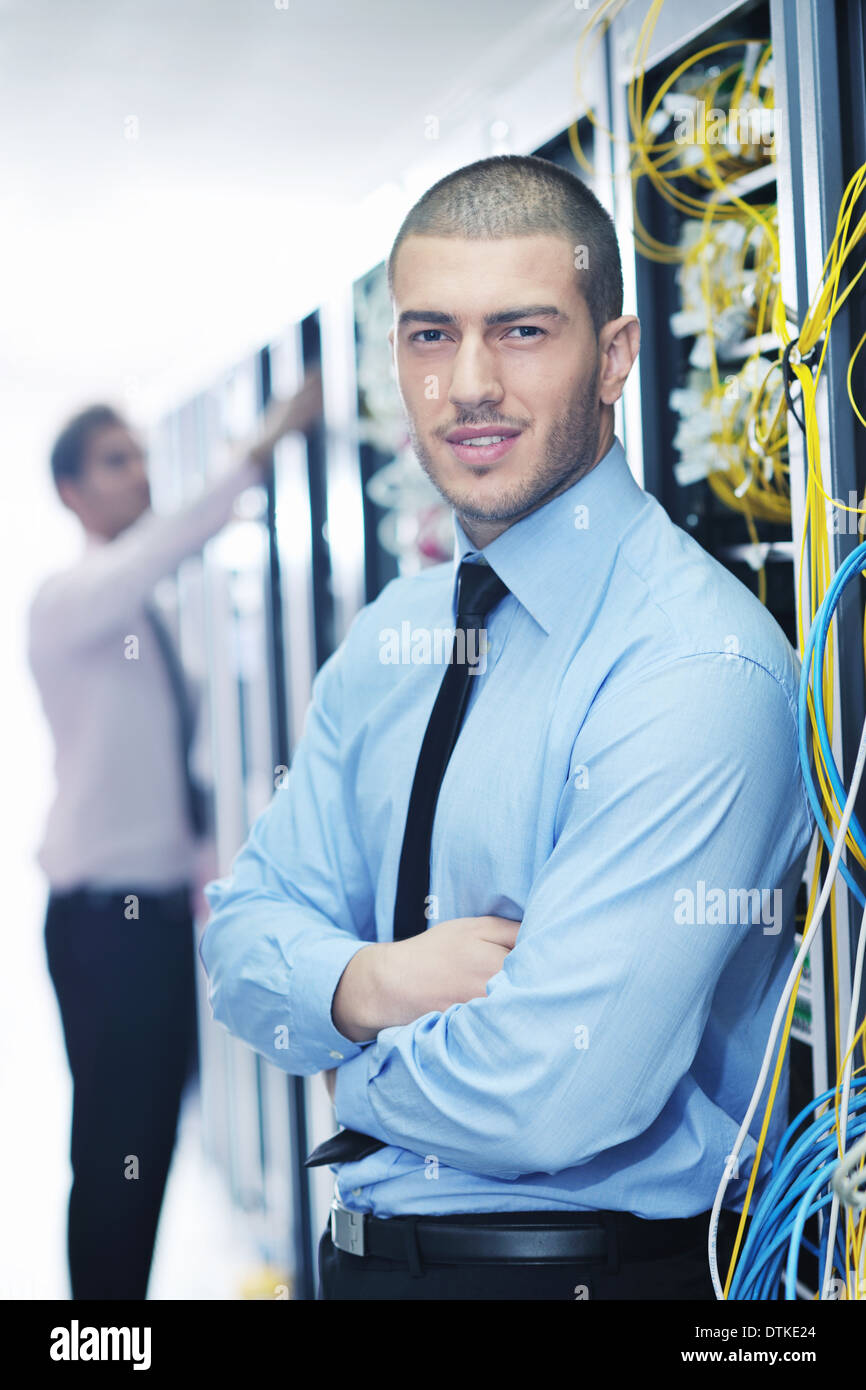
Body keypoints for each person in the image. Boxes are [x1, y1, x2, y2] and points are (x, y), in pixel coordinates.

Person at [199, 154, 815, 1301]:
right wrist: (374, 983)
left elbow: (557, 1089)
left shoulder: (692, 665)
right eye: (430, 336)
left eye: (521, 331)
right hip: (363, 1269)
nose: (468, 383)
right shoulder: (393, 636)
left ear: (615, 358)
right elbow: (236, 942)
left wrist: (346, 1065)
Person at [29, 369, 322, 1301]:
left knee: (143, 1140)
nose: (141, 475)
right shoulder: (72, 600)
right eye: (118, 461)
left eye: (144, 457)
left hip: (149, 920)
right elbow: (166, 546)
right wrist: (262, 447)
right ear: (71, 491)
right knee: (119, 1145)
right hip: (102, 925)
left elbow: (163, 775)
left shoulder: (130, 613)